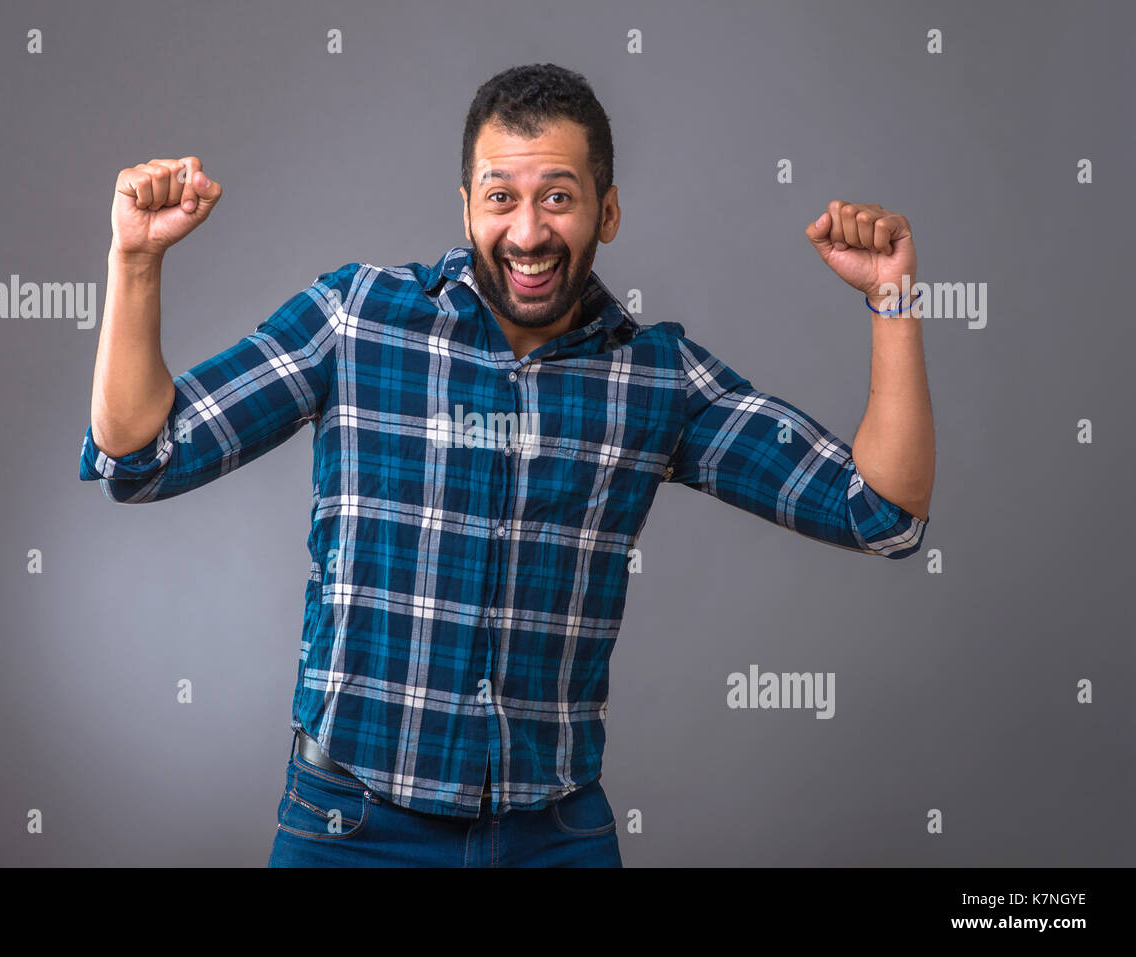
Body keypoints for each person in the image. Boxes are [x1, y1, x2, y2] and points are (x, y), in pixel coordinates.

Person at [79, 63, 934, 867]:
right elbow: (141, 454)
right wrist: (136, 260)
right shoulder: (357, 320)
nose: (528, 232)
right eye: (502, 197)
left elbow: (881, 512)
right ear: (466, 208)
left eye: (558, 197)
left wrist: (893, 301)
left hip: (552, 835)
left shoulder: (657, 378)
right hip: (350, 827)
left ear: (607, 213)